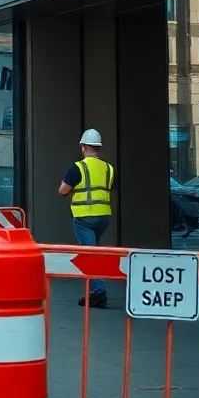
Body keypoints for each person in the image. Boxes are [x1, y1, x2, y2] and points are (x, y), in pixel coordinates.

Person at [59, 128, 116, 308]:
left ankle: (99, 292)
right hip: (103, 217)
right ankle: (94, 292)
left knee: (90, 255)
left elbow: (63, 191)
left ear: (83, 147)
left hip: (84, 217)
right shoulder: (108, 168)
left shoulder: (77, 167)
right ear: (98, 148)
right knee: (94, 252)